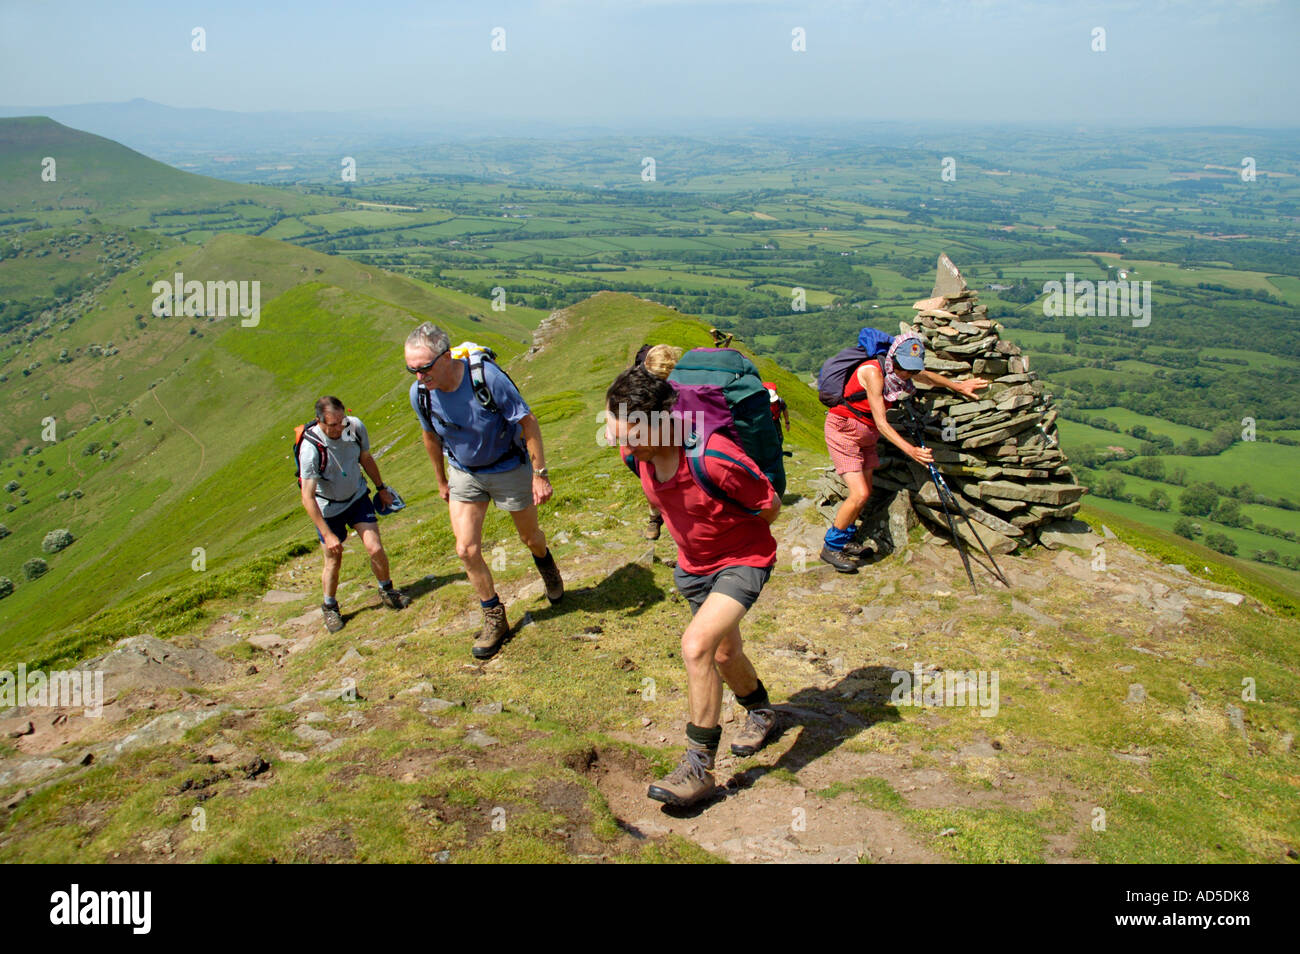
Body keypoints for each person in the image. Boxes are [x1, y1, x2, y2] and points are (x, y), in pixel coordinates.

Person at [606, 365, 780, 808]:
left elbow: (769, 505)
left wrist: (735, 539)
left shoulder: (714, 456)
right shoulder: (637, 456)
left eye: (630, 435)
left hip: (743, 561)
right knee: (724, 653)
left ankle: (699, 767)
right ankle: (761, 712)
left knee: (697, 646)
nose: (622, 445)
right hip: (693, 567)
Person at [405, 323, 563, 660]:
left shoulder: (487, 379)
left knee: (530, 537)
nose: (419, 377)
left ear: (446, 357)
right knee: (465, 549)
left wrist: (539, 475)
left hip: (508, 466)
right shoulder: (419, 394)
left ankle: (545, 563)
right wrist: (441, 481)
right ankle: (494, 617)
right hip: (464, 472)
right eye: (412, 369)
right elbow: (430, 436)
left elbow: (528, 422)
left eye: (425, 368)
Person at [820, 332, 988, 572]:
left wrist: (958, 386)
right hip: (844, 430)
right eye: (903, 368)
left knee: (865, 494)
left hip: (865, 434)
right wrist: (912, 451)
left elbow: (927, 377)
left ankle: (846, 540)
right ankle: (831, 547)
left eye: (911, 369)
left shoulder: (901, 368)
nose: (907, 374)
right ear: (893, 359)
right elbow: (882, 422)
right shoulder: (873, 372)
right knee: (859, 493)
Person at [298, 396, 411, 633]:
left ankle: (387, 590)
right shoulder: (311, 449)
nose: (340, 428)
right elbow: (307, 497)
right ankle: (329, 607)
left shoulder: (354, 427)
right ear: (320, 422)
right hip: (328, 509)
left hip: (357, 497)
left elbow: (365, 458)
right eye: (333, 424)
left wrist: (381, 489)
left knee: (375, 548)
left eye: (342, 421)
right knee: (333, 560)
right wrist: (328, 534)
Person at [635, 344, 683, 541]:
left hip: (675, 444)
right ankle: (655, 517)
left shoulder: (680, 388)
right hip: (651, 445)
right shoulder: (638, 388)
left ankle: (663, 518)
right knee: (651, 478)